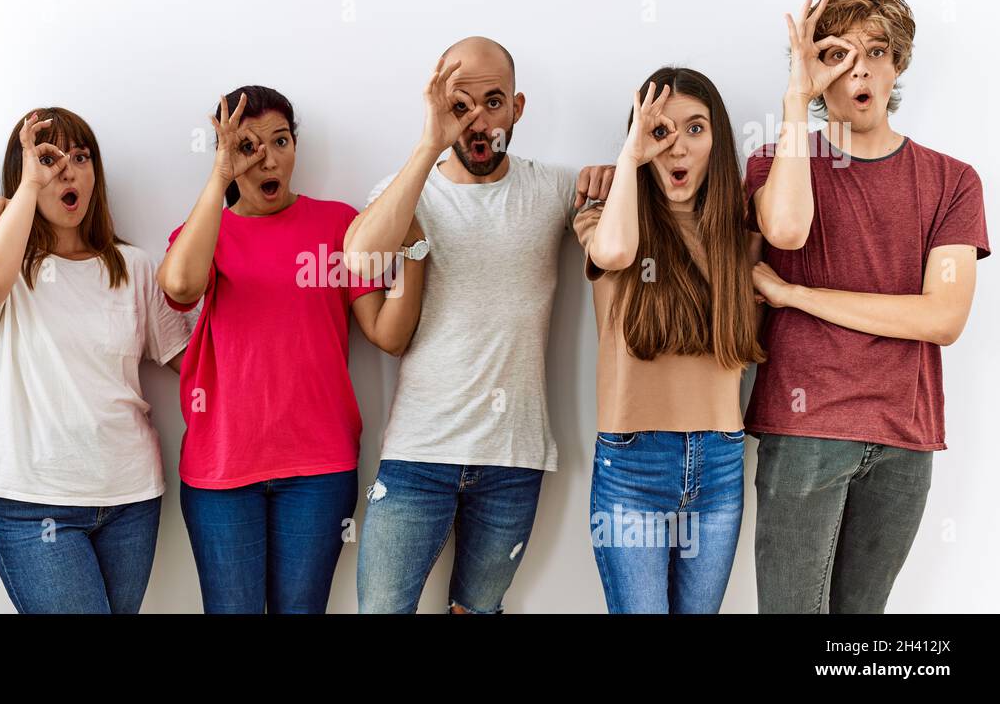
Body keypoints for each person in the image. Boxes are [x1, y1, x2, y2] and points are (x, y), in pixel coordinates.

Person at [345, 37, 612, 613]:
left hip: (512, 460)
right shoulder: (407, 192)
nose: (479, 121)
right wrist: (428, 143)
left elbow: (619, 224)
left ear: (517, 108)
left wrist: (612, 175)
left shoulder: (552, 188)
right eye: (460, 105)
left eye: (494, 102)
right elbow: (361, 257)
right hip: (419, 455)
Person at [746, 0, 989, 613]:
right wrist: (796, 101)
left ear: (898, 63)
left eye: (877, 52)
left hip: (906, 434)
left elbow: (942, 318)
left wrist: (795, 294)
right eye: (837, 54)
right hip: (807, 428)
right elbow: (786, 232)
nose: (859, 70)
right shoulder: (775, 161)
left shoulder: (953, 180)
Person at [156, 86, 427, 613]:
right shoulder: (207, 233)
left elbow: (389, 335)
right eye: (248, 146)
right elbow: (181, 287)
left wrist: (415, 251)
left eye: (280, 141)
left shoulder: (336, 225)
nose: (268, 158)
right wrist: (219, 178)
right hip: (222, 470)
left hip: (319, 471)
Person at [0, 108, 189, 613]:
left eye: (80, 157)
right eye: (48, 158)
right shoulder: (0, 263)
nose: (67, 170)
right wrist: (21, 192)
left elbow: (193, 364)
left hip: (131, 498)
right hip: (32, 501)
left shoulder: (133, 266)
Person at [575, 68, 764, 613]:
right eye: (660, 131)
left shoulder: (738, 228)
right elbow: (612, 255)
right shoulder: (604, 212)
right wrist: (628, 161)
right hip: (633, 462)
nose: (678, 146)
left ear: (716, 140)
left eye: (696, 129)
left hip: (721, 460)